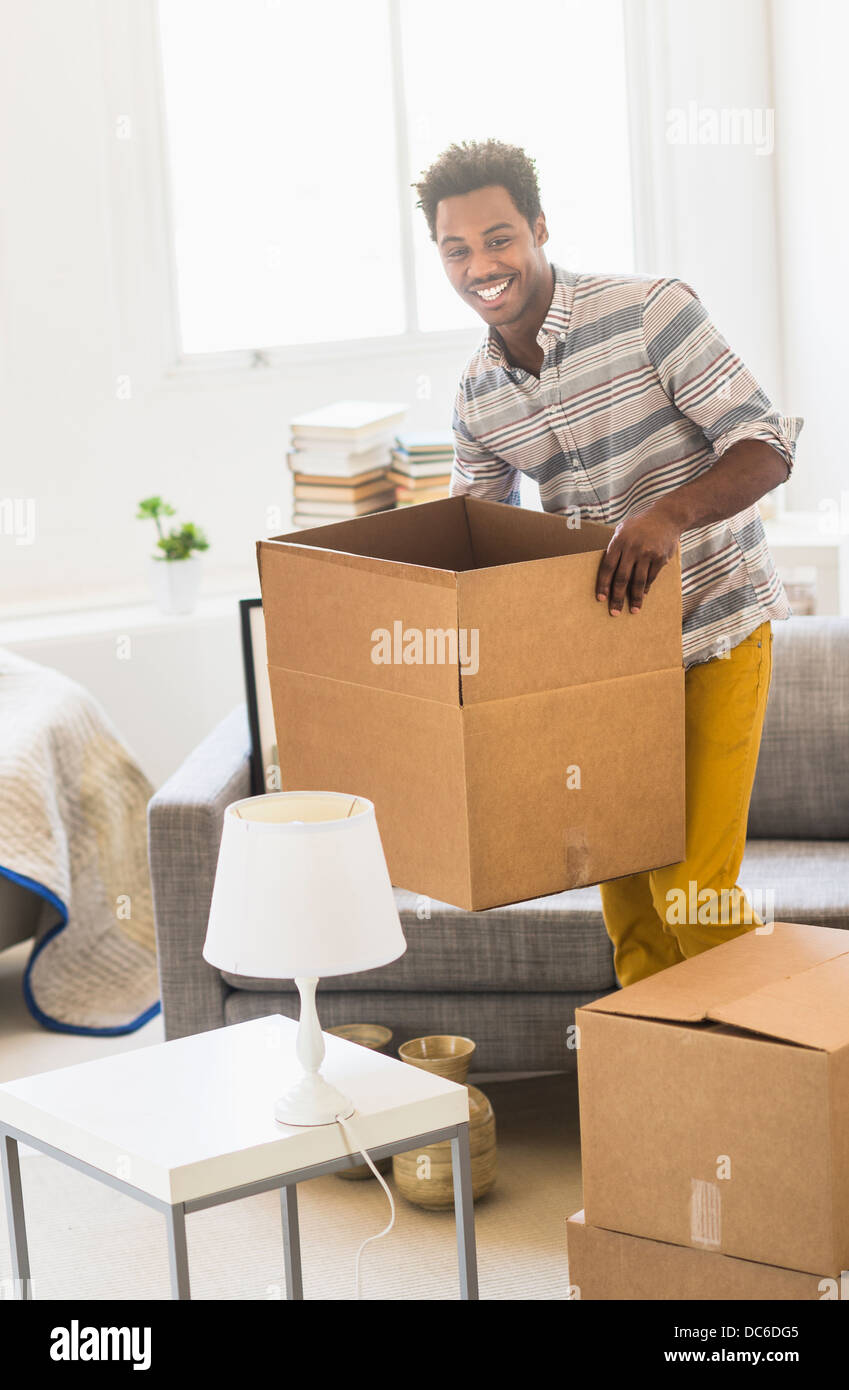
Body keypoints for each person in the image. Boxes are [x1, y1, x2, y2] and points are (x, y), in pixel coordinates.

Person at [413, 138, 802, 987]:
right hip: (606, 668)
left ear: (539, 228)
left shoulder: (648, 311)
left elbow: (766, 446)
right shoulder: (477, 398)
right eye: (457, 248)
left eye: (499, 237)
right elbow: (469, 539)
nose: (482, 264)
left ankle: (791, 1090)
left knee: (694, 896)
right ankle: (666, 1102)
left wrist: (667, 513)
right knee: (629, 910)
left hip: (714, 632)